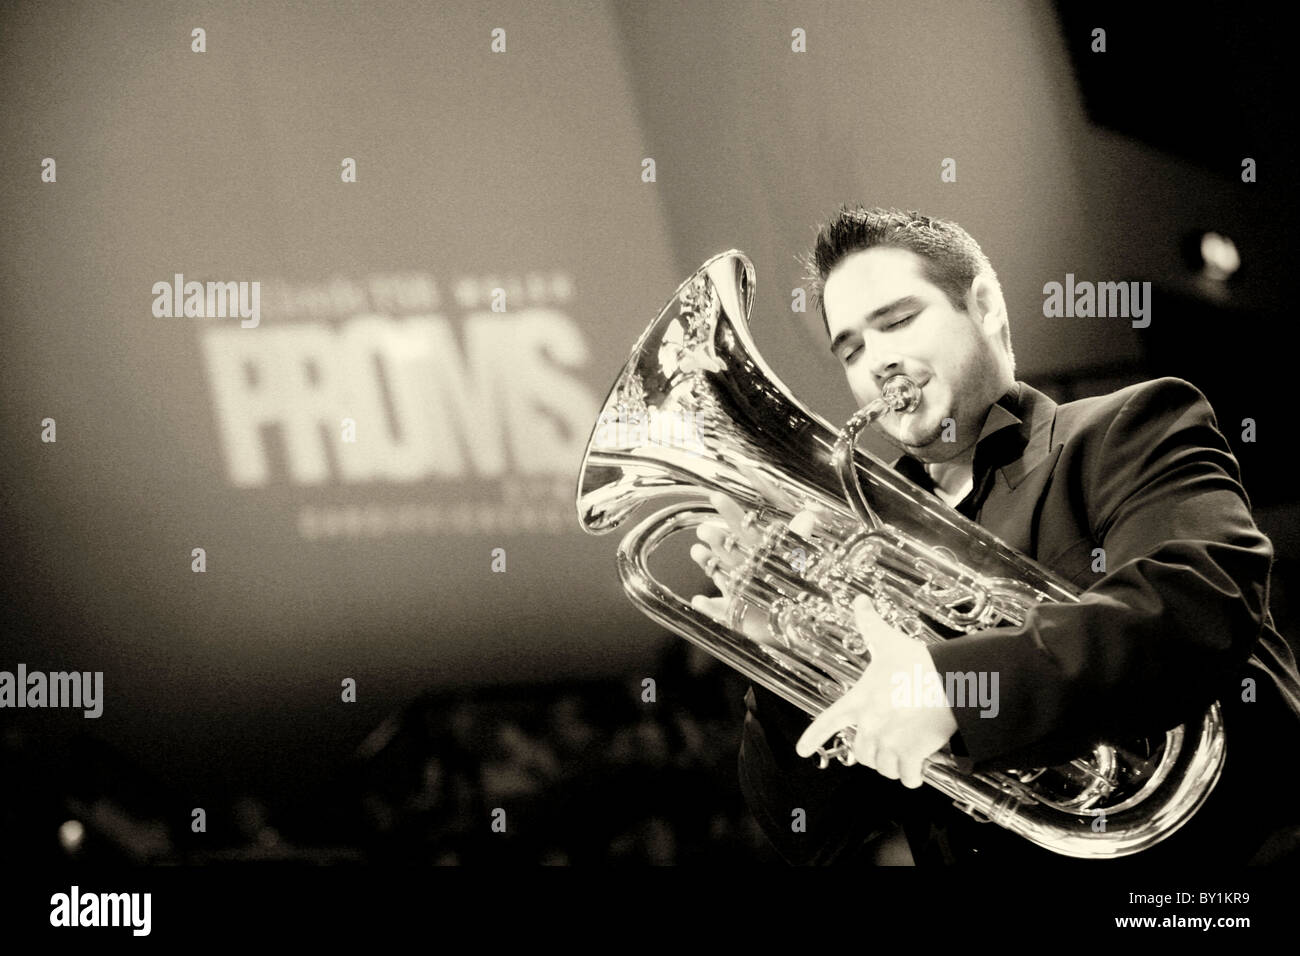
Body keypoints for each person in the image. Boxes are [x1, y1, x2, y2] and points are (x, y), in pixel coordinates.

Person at [689, 206, 1300, 865]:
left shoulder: (1131, 427)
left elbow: (1197, 608)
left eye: (897, 322)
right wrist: (787, 660)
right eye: (853, 350)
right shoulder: (863, 543)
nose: (879, 362)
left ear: (983, 307)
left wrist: (952, 688)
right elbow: (811, 834)